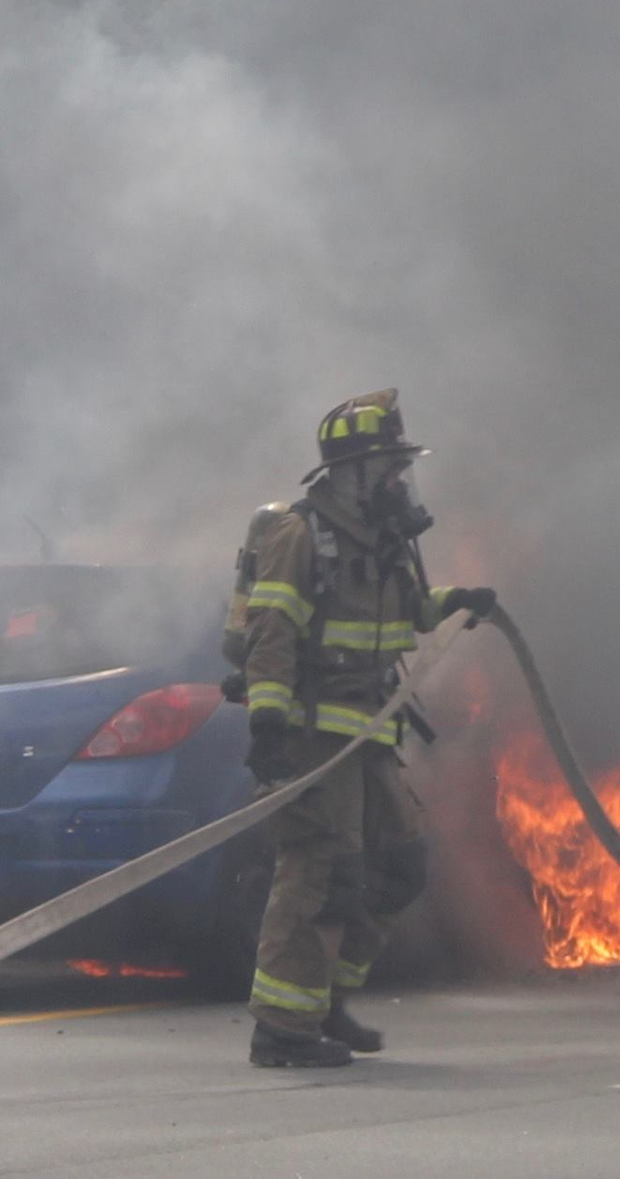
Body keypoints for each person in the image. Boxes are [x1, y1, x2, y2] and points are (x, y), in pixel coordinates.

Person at [238, 388, 496, 1068]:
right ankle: (282, 1029)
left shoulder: (386, 539)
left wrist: (458, 600)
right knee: (321, 871)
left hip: (369, 730)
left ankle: (325, 1001)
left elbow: (408, 609)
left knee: (400, 866)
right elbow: (271, 632)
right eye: (389, 467)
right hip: (312, 734)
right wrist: (267, 724)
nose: (399, 480)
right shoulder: (301, 534)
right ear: (351, 472)